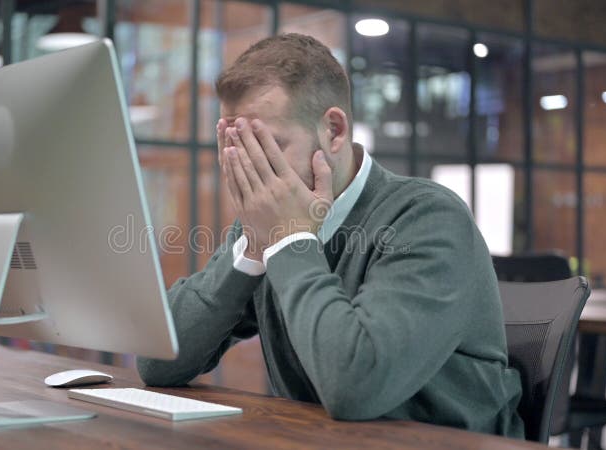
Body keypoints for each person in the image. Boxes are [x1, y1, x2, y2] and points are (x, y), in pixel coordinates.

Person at [136, 33, 524, 438]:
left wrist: (288, 240)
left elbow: (355, 387)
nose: (247, 168)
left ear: (334, 132)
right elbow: (160, 362)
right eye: (235, 146)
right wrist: (252, 251)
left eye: (265, 145)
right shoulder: (268, 224)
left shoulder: (428, 218)